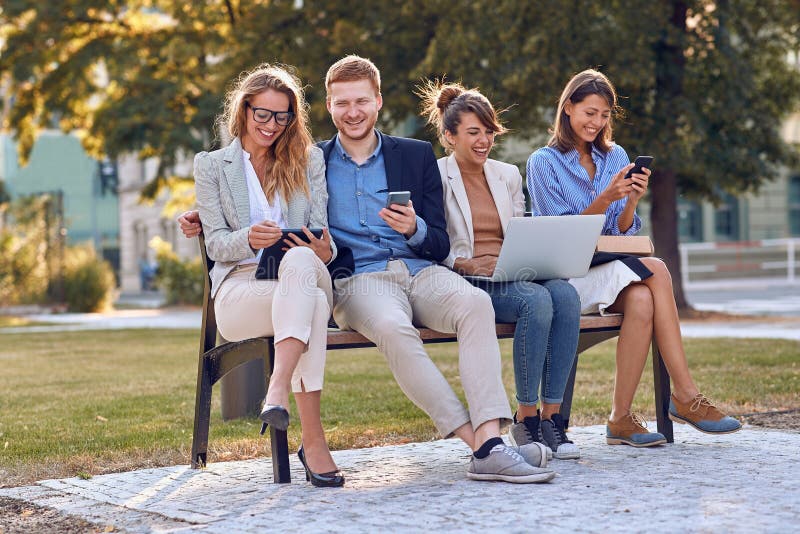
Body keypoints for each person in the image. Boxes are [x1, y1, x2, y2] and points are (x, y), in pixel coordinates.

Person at [319, 55, 553, 483]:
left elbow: (441, 242)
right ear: (329, 105)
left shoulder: (413, 154)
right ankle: (483, 446)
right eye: (342, 103)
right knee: (392, 326)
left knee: (475, 304)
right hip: (360, 280)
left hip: (421, 268)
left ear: (378, 102)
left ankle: (490, 438)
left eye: (362, 101)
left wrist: (415, 228)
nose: (352, 112)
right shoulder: (313, 161)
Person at [527, 69, 742, 447]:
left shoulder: (617, 156)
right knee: (656, 269)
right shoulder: (543, 162)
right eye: (589, 112)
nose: (597, 122)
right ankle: (686, 396)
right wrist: (608, 197)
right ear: (568, 108)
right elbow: (563, 238)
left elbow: (622, 234)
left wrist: (631, 201)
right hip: (566, 278)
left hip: (608, 268)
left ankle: (620, 419)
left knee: (642, 299)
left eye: (605, 114)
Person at [191, 63, 344, 487]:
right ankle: (312, 440)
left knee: (299, 265)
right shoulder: (212, 165)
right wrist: (249, 239)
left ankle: (276, 391)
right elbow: (217, 244)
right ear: (244, 110)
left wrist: (321, 248)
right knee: (309, 304)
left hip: (302, 272)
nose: (272, 125)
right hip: (240, 289)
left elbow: (322, 236)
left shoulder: (308, 159)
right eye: (263, 114)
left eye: (283, 116)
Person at [417, 81, 582, 460]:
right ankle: (526, 418)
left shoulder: (507, 174)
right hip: (469, 277)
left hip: (513, 268)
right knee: (536, 301)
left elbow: (520, 229)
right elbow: (429, 239)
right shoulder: (436, 176)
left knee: (566, 295)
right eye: (474, 132)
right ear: (449, 136)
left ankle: (553, 420)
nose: (484, 140)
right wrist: (462, 262)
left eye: (489, 131)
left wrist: (533, 257)